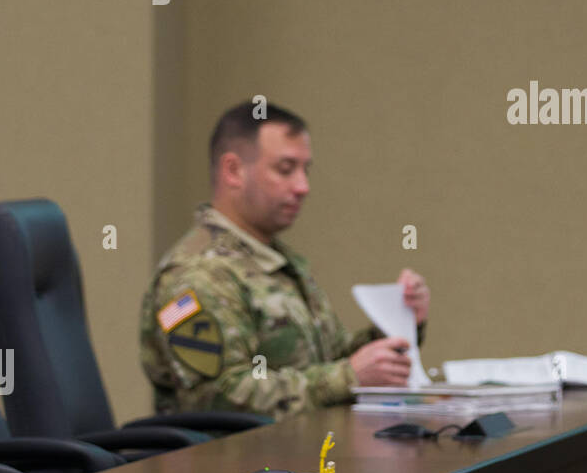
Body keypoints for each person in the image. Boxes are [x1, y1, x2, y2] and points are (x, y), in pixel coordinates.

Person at [140, 101, 430, 419]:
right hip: (232, 464)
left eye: (306, 170)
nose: (303, 187)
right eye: (285, 169)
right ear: (233, 170)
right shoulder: (197, 274)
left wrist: (398, 328)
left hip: (305, 455)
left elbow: (330, 362)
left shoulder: (277, 262)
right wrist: (348, 377)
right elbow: (219, 396)